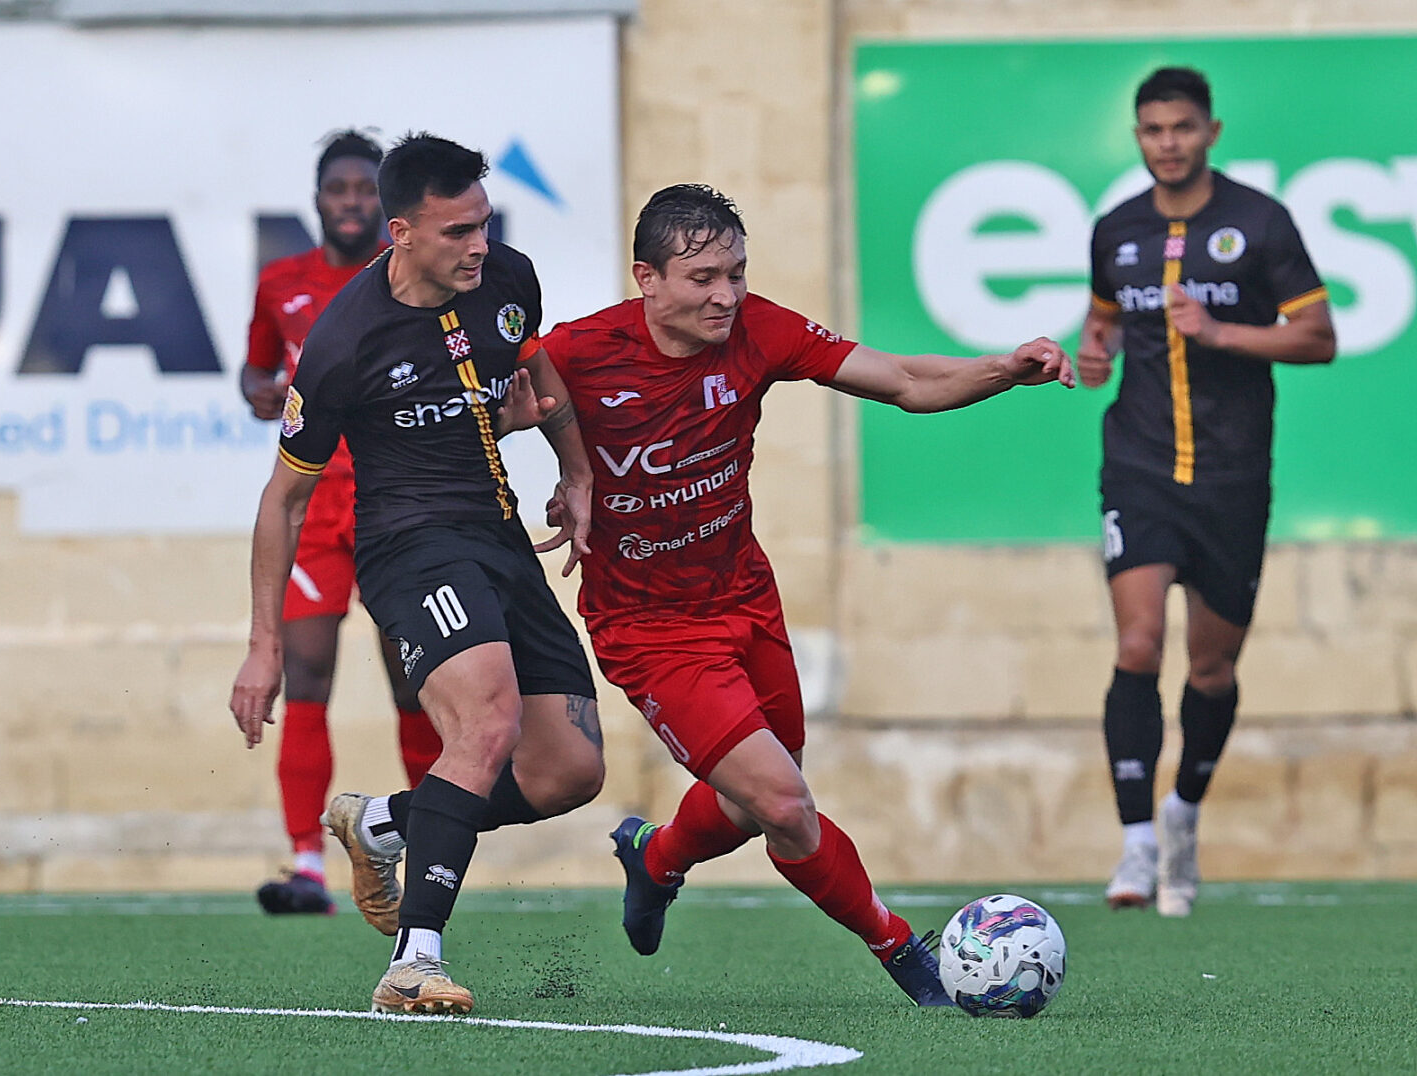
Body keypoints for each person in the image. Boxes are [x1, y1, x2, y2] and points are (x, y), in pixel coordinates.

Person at [538, 183, 1075, 1006]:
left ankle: (654, 859)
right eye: (703, 276)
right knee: (785, 802)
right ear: (646, 277)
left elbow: (899, 378)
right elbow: (471, 420)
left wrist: (1003, 370)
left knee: (755, 799)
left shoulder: (759, 330)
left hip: (745, 598)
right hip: (649, 628)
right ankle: (904, 953)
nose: (726, 295)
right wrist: (561, 481)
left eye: (738, 273)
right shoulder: (576, 353)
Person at [230, 132, 603, 1015]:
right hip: (406, 547)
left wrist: (577, 472)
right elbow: (280, 503)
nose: (478, 245)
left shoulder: (507, 278)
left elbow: (535, 365)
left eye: (482, 223)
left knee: (568, 773)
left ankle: (383, 822)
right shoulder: (341, 345)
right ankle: (414, 961)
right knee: (490, 718)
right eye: (455, 232)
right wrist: (261, 644)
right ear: (400, 232)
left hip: (500, 536)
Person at [1078, 67, 1335, 917]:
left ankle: (1183, 812)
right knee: (1139, 644)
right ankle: (1136, 844)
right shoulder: (1115, 231)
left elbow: (1319, 337)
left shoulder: (1261, 223)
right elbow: (1104, 319)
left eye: (1182, 127)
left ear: (1211, 131)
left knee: (1212, 665)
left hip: (1230, 475)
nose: (1168, 144)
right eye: (1152, 130)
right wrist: (1093, 351)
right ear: (1138, 136)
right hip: (1141, 464)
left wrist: (1220, 330)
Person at [240, 129, 443, 918]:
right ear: (319, 199)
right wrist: (257, 389)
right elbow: (258, 369)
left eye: (366, 191)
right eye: (339, 190)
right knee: (307, 675)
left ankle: (429, 850)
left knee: (414, 683)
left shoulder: (409, 279)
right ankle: (306, 865)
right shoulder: (281, 283)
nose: (352, 203)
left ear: (386, 205)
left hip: (393, 505)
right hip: (317, 506)